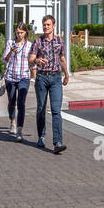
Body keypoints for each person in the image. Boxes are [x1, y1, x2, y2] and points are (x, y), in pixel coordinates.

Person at [29, 14, 70, 154]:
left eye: (48, 25)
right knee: (41, 108)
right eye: (44, 24)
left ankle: (57, 142)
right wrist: (36, 61)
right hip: (42, 77)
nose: (46, 27)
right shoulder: (38, 42)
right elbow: (31, 58)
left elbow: (62, 58)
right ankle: (41, 135)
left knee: (56, 110)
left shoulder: (60, 41)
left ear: (53, 26)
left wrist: (67, 74)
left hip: (56, 79)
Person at [2, 24, 33, 141]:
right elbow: (4, 59)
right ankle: (12, 121)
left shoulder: (30, 45)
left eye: (21, 32)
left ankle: (19, 131)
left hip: (24, 77)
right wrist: (11, 52)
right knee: (11, 102)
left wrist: (35, 73)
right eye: (17, 32)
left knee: (21, 104)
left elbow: (32, 62)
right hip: (10, 77)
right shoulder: (10, 43)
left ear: (26, 33)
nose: (19, 35)